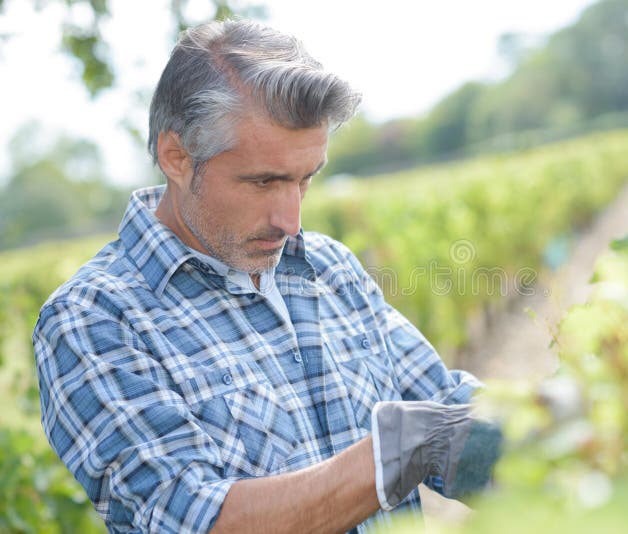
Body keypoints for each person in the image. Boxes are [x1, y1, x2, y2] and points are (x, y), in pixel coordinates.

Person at [33, 19, 501, 534]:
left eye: (305, 180)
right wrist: (404, 446)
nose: (291, 220)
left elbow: (441, 404)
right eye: (263, 181)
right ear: (177, 157)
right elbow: (195, 521)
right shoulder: (94, 320)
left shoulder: (327, 268)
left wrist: (565, 422)